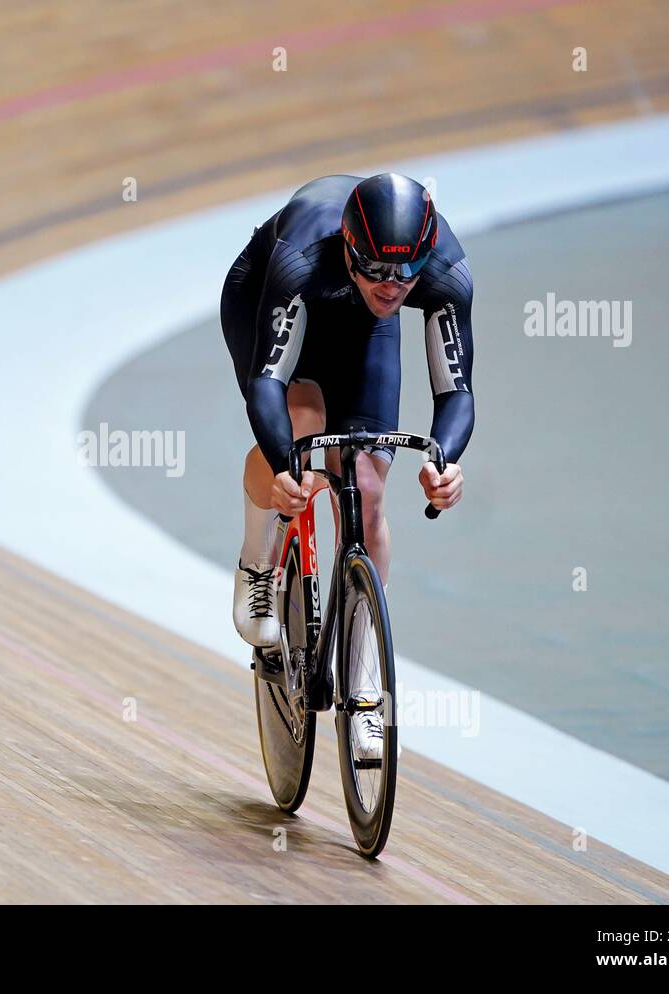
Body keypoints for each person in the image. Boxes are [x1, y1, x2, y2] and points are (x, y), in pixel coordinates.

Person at [221, 172, 474, 756]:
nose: (395, 285)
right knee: (303, 430)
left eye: (406, 272)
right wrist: (286, 462)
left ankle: (364, 687)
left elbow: (456, 391)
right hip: (268, 297)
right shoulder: (304, 254)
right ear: (349, 247)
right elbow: (267, 383)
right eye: (380, 271)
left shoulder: (442, 270)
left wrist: (446, 462)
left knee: (365, 482)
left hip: (362, 330)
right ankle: (259, 563)